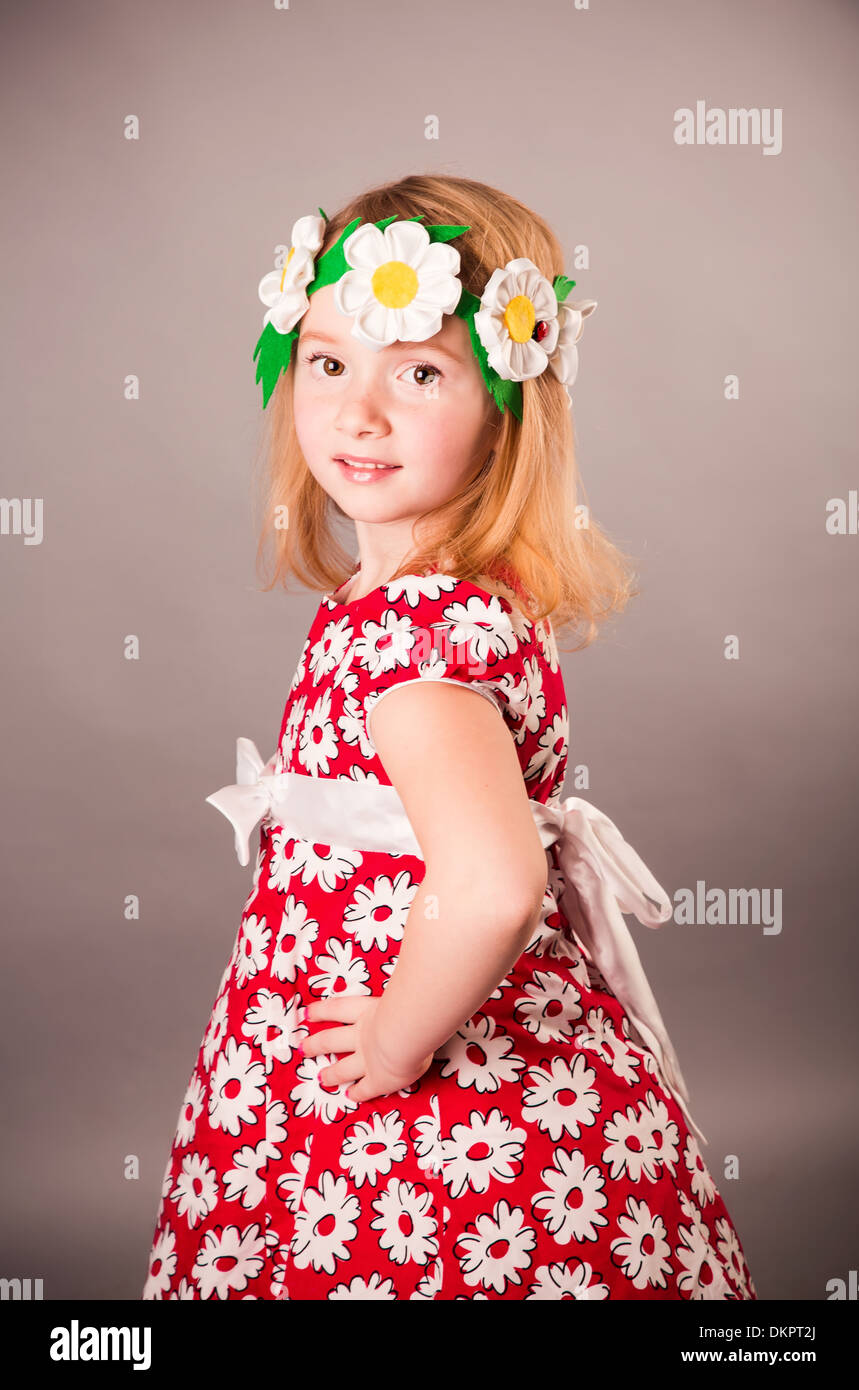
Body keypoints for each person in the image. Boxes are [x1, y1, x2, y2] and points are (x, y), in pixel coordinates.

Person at [142, 173, 758, 1300]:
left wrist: (388, 1045)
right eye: (327, 363)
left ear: (505, 411)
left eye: (418, 373)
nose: (356, 412)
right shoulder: (458, 600)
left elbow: (487, 884)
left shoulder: (409, 645)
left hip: (424, 1112)